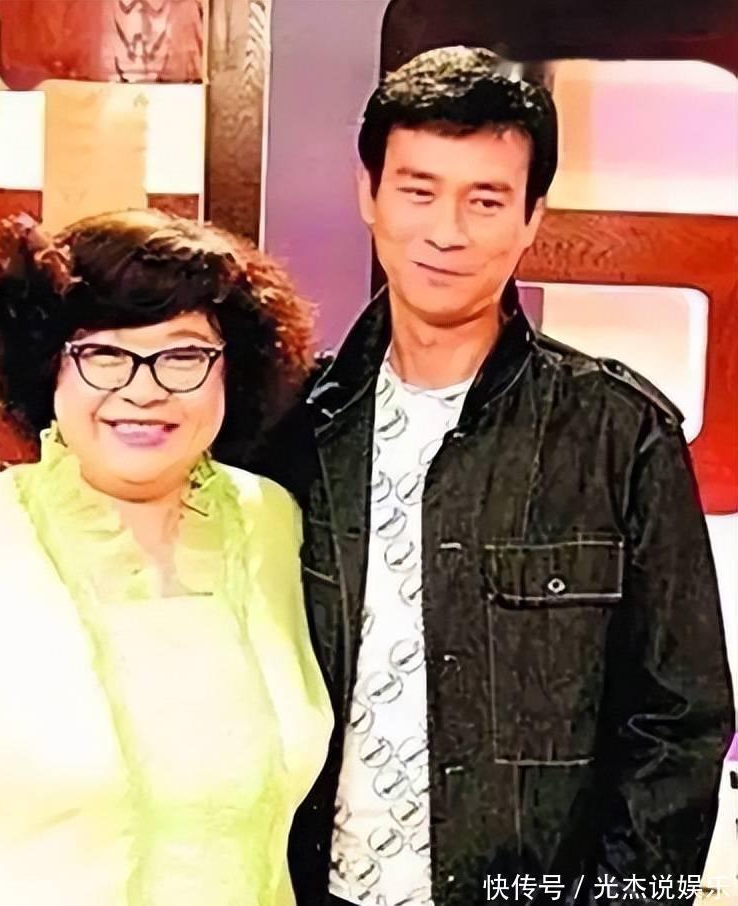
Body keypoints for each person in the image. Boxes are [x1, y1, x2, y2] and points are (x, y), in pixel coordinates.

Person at [264, 46, 734, 906]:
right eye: (418, 190)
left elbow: (680, 725)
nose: (447, 231)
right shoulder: (288, 428)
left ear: (531, 217)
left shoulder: (619, 433)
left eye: (485, 200)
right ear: (368, 194)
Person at [0, 209, 332, 906]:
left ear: (232, 370)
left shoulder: (273, 521)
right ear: (48, 365)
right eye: (102, 353)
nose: (144, 389)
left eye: (184, 355)